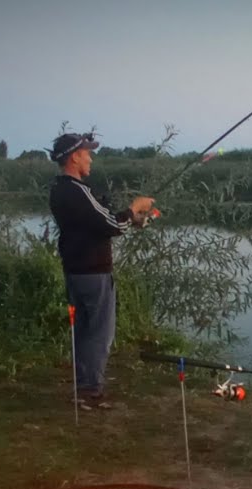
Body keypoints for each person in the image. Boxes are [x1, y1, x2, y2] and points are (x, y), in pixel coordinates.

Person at [48, 132, 155, 409]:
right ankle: (90, 391)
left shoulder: (59, 190)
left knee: (84, 330)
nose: (90, 158)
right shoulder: (77, 190)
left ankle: (85, 383)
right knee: (99, 333)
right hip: (93, 273)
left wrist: (130, 221)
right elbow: (110, 225)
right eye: (87, 153)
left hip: (76, 270)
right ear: (75, 157)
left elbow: (101, 223)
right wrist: (134, 210)